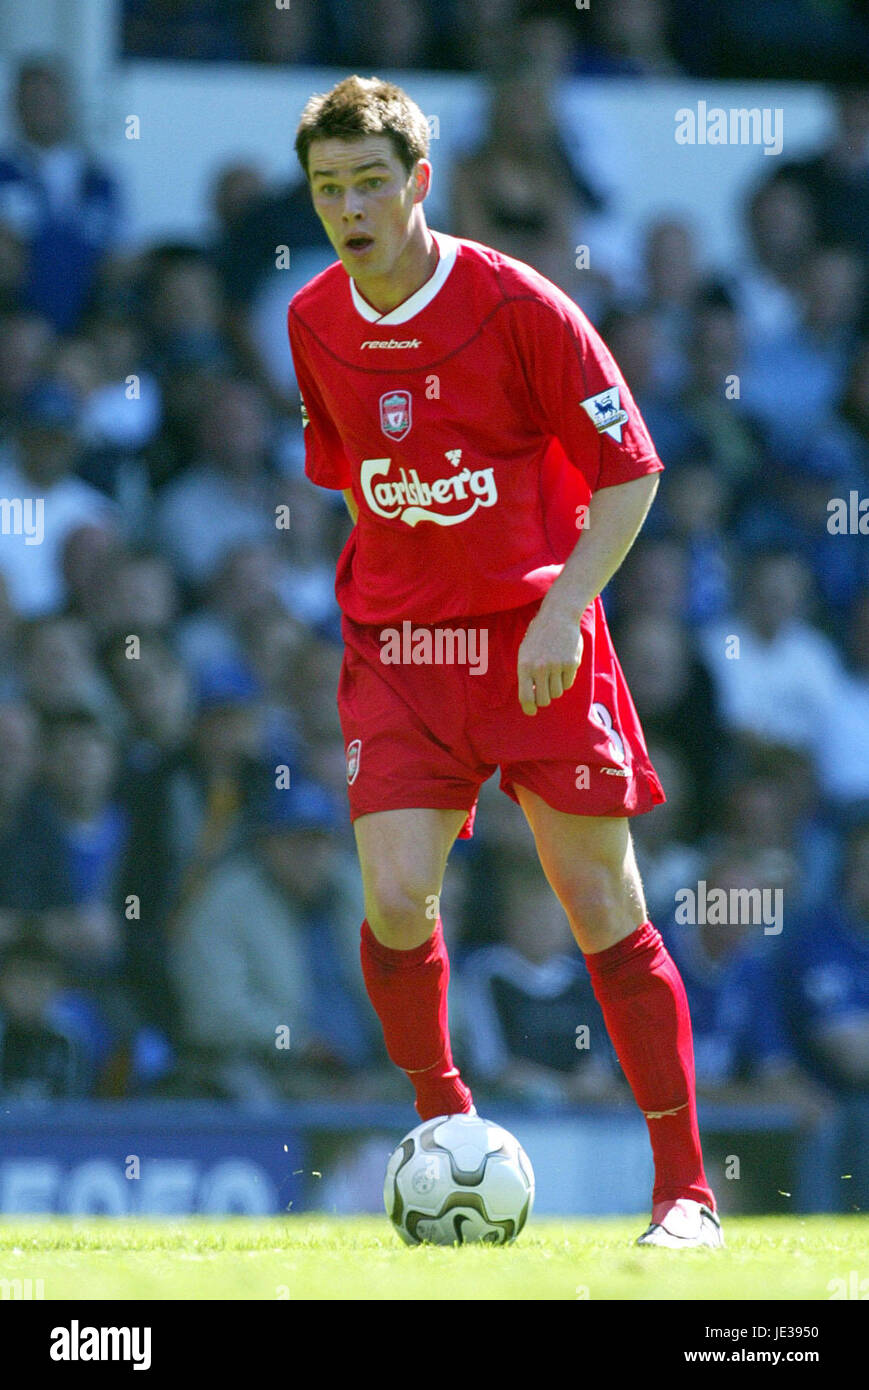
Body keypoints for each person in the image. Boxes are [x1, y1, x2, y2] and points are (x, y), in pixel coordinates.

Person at [286, 76, 721, 1248]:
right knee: (390, 897)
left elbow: (630, 471)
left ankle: (684, 1191)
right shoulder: (313, 320)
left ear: (418, 182)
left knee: (597, 906)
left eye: (370, 181)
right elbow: (366, 486)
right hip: (400, 652)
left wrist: (558, 610)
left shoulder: (517, 304)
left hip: (536, 645)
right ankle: (444, 1122)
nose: (350, 206)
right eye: (328, 188)